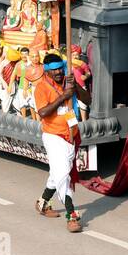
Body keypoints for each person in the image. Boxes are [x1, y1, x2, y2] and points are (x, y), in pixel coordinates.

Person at [34, 48, 90, 232]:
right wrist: (63, 97)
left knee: (58, 173)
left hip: (71, 134)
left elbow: (87, 100)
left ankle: (42, 203)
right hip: (53, 135)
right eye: (54, 70)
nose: (58, 72)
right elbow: (42, 113)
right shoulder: (41, 87)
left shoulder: (68, 81)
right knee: (64, 175)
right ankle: (71, 216)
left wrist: (76, 88)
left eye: (60, 68)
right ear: (47, 70)